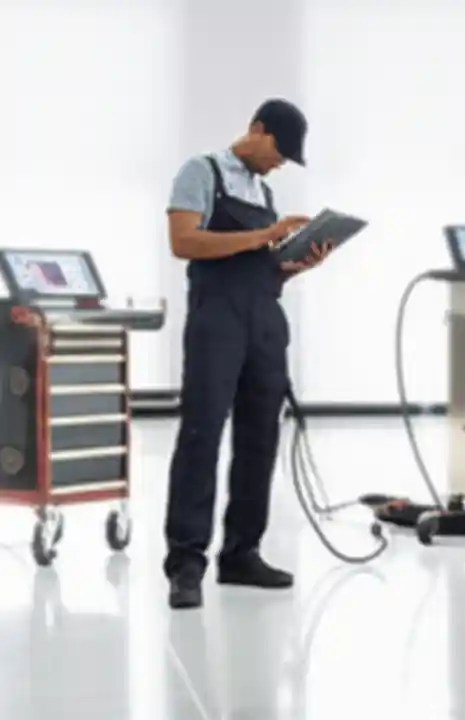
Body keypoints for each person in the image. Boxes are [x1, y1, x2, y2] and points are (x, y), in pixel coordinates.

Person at [163, 98, 330, 610]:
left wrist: (298, 262)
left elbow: (263, 269)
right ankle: (186, 563)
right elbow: (184, 241)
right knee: (202, 434)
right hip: (216, 320)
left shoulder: (263, 191)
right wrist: (265, 234)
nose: (280, 164)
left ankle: (242, 553)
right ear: (257, 130)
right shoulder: (201, 171)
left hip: (263, 322)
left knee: (260, 438)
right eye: (280, 151)